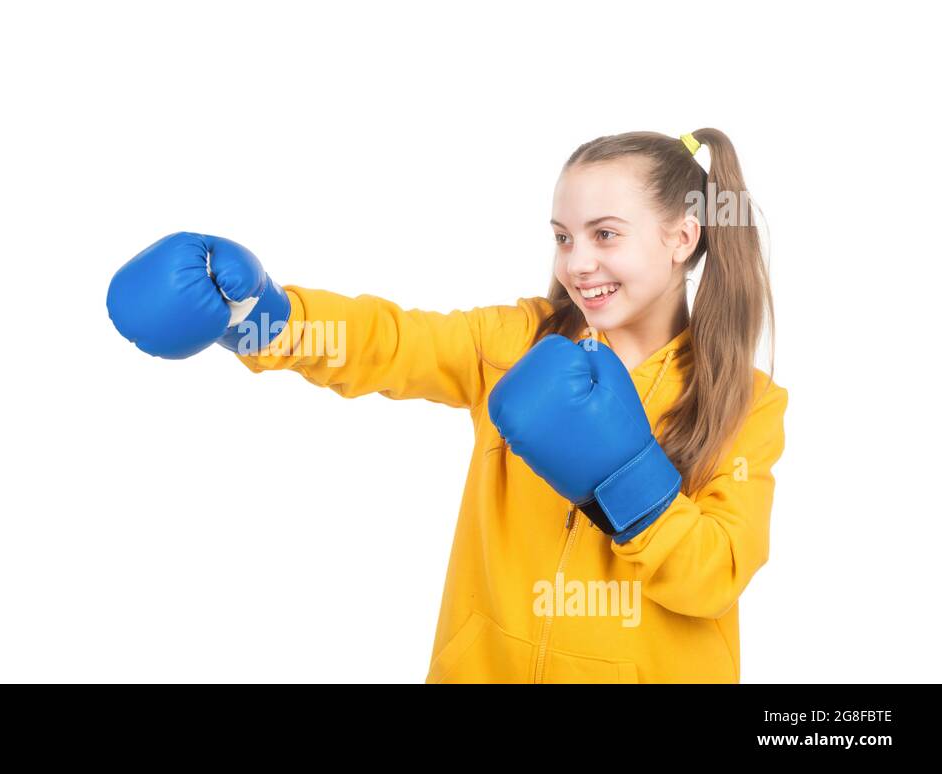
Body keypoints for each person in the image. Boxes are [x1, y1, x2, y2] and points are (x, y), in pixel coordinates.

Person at [106, 128, 788, 683]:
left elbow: (715, 577)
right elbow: (392, 343)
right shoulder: (517, 343)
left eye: (605, 234)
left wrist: (627, 477)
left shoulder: (744, 403)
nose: (577, 263)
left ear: (682, 237)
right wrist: (261, 316)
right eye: (563, 236)